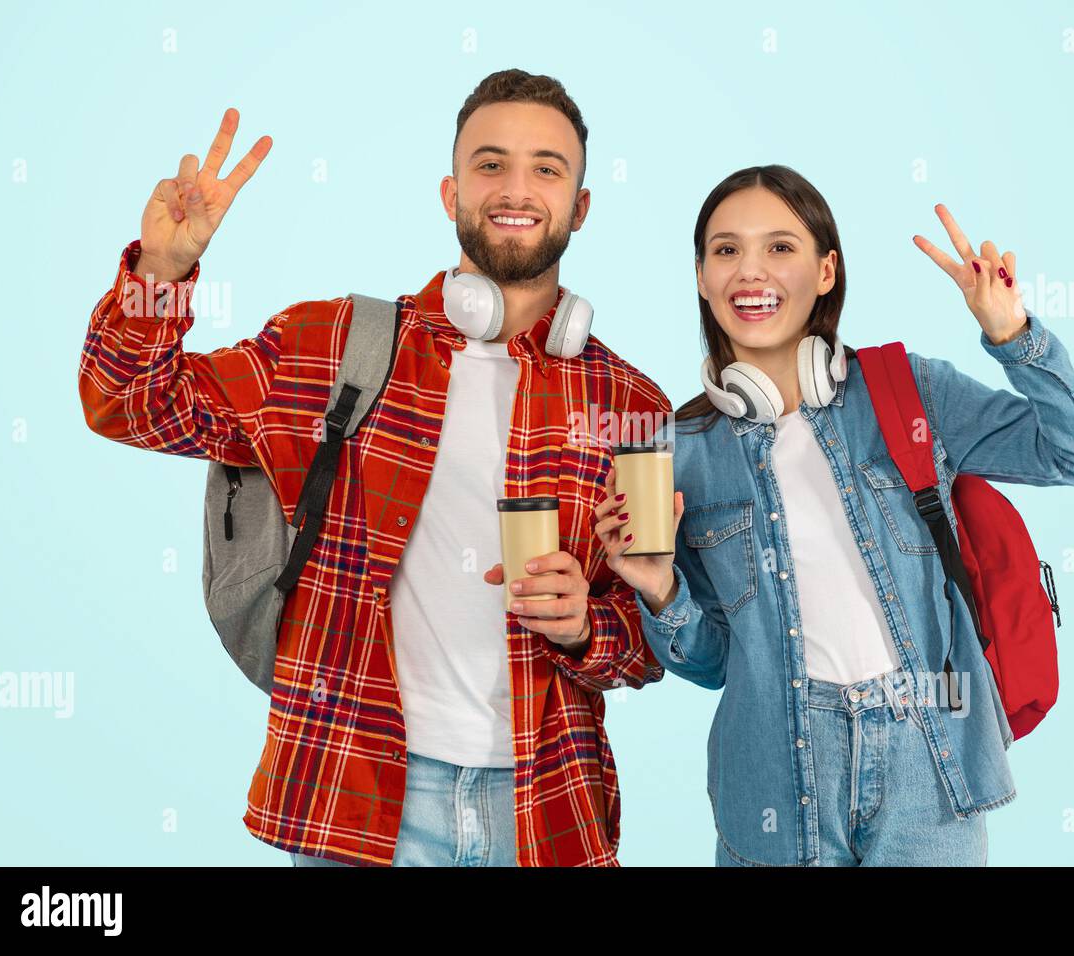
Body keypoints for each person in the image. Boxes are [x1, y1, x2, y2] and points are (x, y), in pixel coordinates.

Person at [79, 69, 671, 867]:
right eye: (490, 164)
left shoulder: (628, 402)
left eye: (547, 168)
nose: (516, 187)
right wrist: (159, 275)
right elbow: (129, 403)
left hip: (546, 804)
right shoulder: (336, 345)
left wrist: (586, 626)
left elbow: (656, 634)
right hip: (358, 798)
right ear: (450, 191)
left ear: (582, 205)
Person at [592, 165, 1074, 866]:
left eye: (780, 247)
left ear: (825, 271)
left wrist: (1014, 334)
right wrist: (659, 588)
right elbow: (714, 662)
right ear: (701, 276)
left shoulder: (909, 390)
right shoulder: (676, 455)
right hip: (774, 778)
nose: (750, 271)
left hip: (927, 761)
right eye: (726, 250)